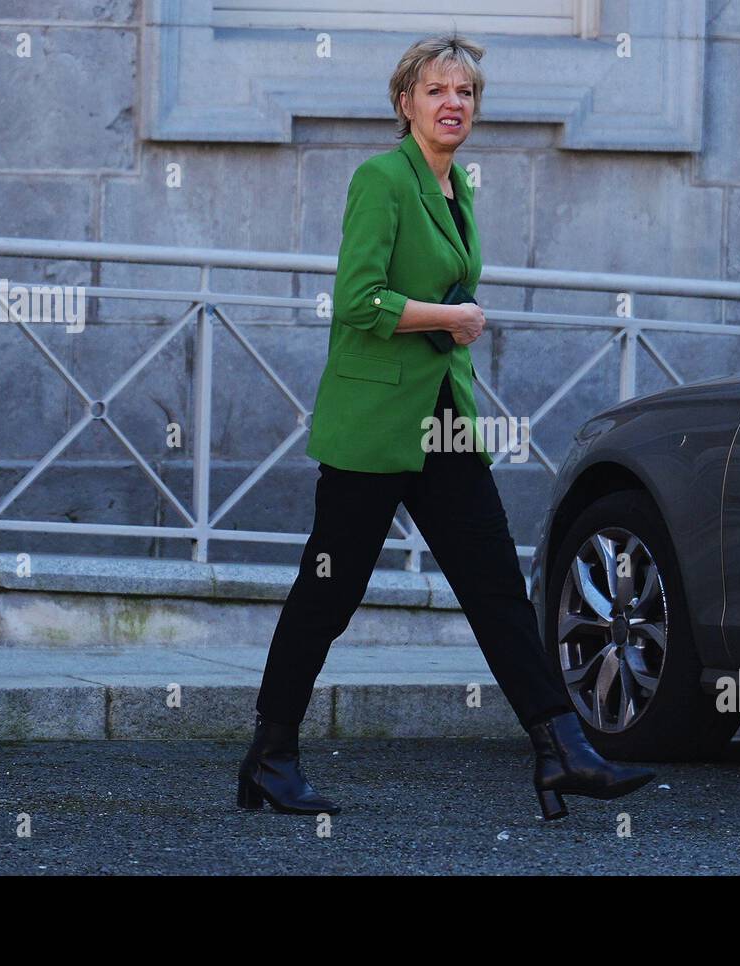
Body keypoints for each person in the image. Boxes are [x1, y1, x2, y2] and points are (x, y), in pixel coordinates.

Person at [237, 33, 655, 821]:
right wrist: (451, 317)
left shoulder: (459, 186)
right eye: (436, 91)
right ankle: (271, 754)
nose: (453, 103)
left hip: (443, 425)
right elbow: (358, 300)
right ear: (406, 103)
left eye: (464, 93)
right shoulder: (382, 180)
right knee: (328, 594)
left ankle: (561, 748)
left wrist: (451, 330)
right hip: (374, 425)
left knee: (496, 585)